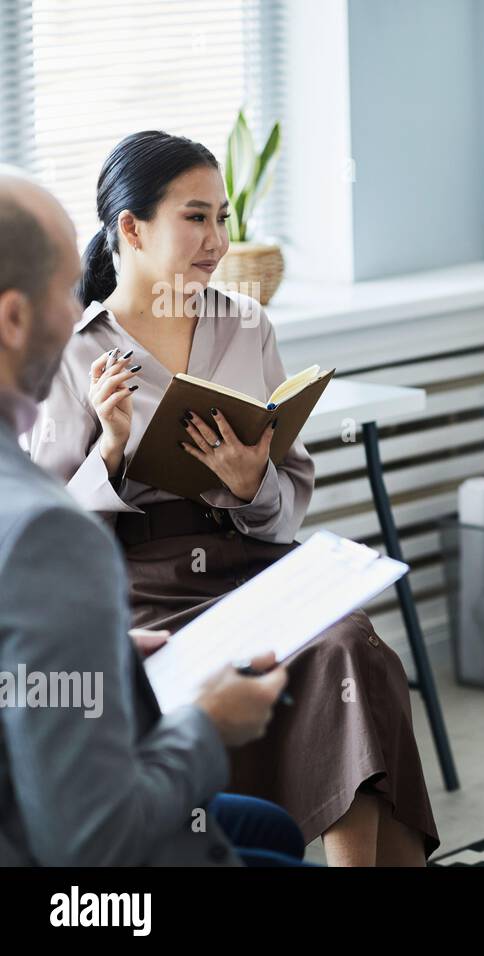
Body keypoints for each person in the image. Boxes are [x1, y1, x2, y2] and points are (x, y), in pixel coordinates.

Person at [28, 131, 438, 866]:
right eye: (196, 218)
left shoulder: (247, 325)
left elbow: (285, 511)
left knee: (352, 646)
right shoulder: (75, 348)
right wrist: (111, 452)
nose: (217, 239)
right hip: (140, 587)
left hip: (250, 565)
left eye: (223, 217)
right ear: (130, 227)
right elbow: (49, 533)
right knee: (341, 658)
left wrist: (251, 482)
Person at [0, 166, 305, 866]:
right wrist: (207, 724)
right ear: (16, 319)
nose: (78, 308)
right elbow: (92, 846)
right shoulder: (47, 533)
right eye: (64, 288)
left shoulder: (243, 323)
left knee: (272, 831)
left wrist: (91, 654)